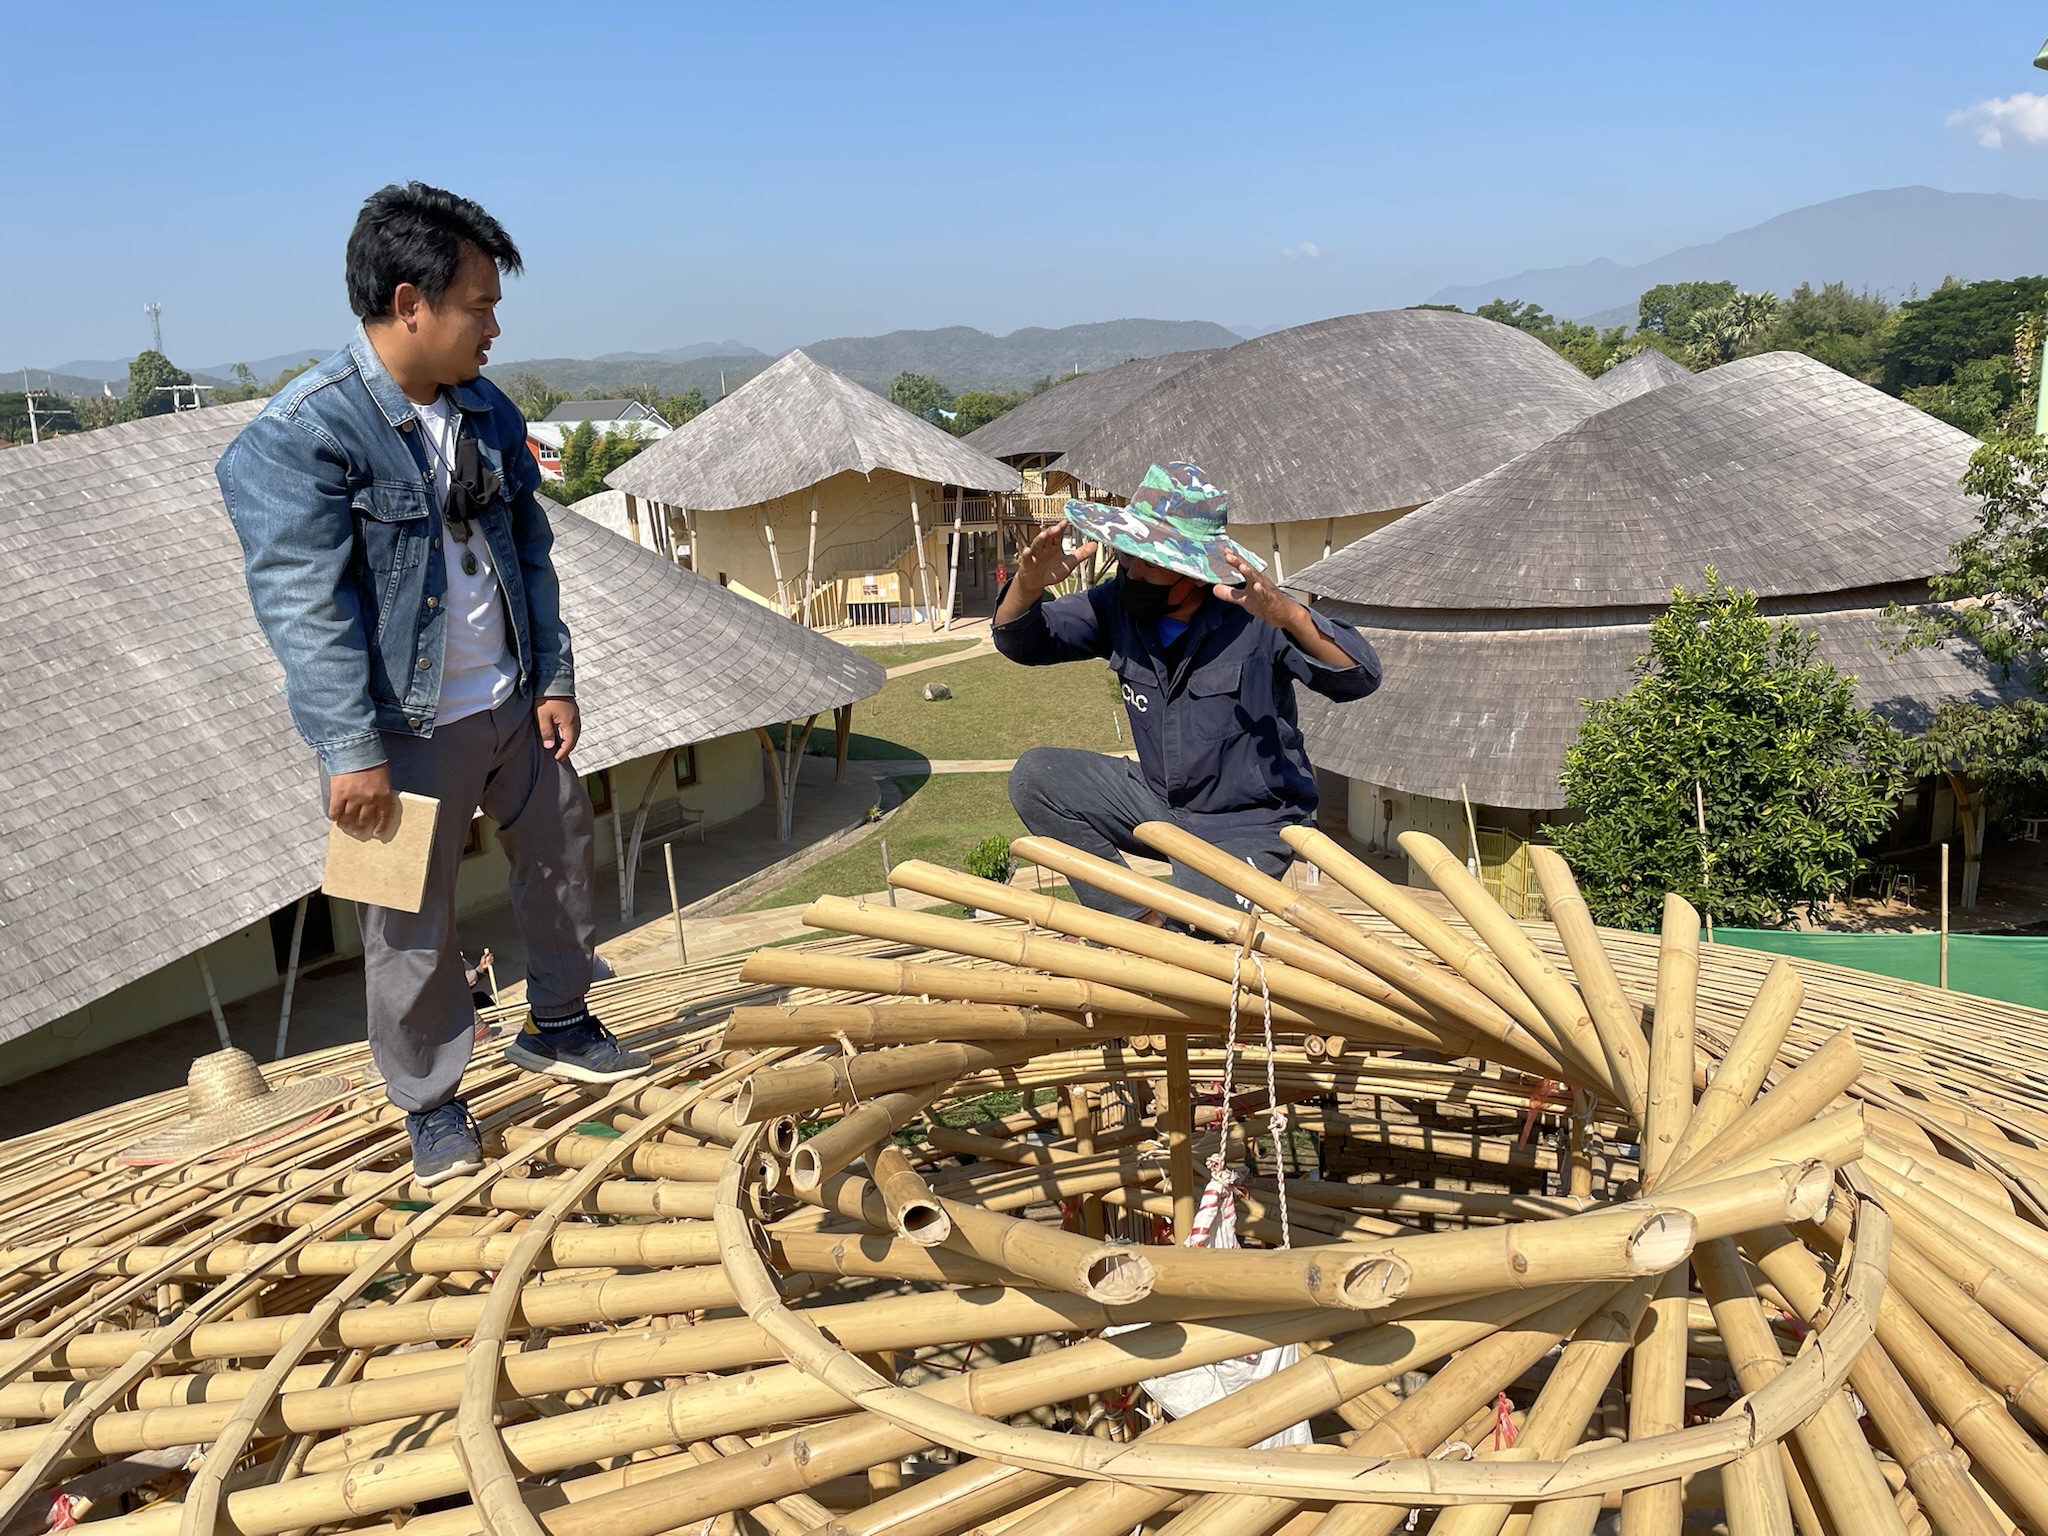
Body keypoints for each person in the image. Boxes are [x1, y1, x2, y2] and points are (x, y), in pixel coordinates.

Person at [217, 182, 650, 1187]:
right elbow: (304, 607)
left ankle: (560, 1022)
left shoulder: (484, 409)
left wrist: (550, 674)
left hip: (507, 699)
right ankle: (431, 1103)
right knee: (406, 919)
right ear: (410, 304)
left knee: (558, 852)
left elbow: (529, 552)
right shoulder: (302, 439)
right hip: (397, 727)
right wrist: (348, 751)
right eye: (480, 306)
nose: (494, 328)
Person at [993, 461, 1380, 923]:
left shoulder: (1256, 615)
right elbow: (1022, 640)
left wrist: (1292, 617)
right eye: (1127, 556)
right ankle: (1134, 919)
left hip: (1249, 824)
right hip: (1160, 800)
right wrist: (1028, 584)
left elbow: (1360, 677)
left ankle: (1173, 930)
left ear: (1193, 573)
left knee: (1195, 921)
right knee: (1038, 776)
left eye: (1149, 564)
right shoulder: (1118, 603)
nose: (1131, 572)